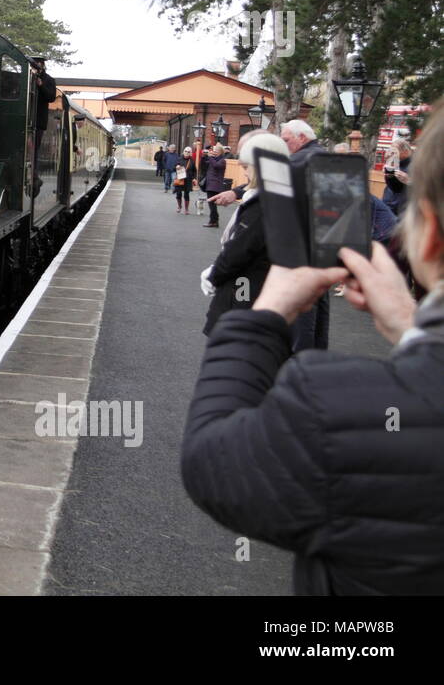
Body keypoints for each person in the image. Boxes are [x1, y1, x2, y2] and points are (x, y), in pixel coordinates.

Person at [181, 99, 444, 595]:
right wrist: (414, 331)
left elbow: (212, 464)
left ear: (427, 241)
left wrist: (265, 316)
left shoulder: (336, 406)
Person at [200, 131, 288, 334]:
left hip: (245, 282)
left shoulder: (263, 204)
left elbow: (240, 250)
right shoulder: (285, 196)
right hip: (259, 285)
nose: (244, 173)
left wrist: (214, 274)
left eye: (247, 167)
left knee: (235, 331)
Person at [199, 143, 228, 228]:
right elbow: (204, 165)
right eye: (213, 151)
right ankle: (214, 221)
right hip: (211, 184)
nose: (214, 152)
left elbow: (216, 166)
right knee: (212, 204)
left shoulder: (222, 160)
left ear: (220, 152)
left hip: (215, 185)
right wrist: (204, 156)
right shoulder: (214, 159)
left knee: (212, 204)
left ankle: (213, 221)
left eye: (215, 151)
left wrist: (210, 157)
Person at [382, 138, 413, 216]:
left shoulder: (415, 165)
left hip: (401, 210)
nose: (392, 153)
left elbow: (398, 188)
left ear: (405, 152)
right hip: (388, 205)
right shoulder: (395, 161)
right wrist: (388, 172)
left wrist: (409, 180)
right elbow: (392, 186)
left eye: (395, 151)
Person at [173, 146, 196, 214]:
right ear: (183, 152)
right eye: (185, 151)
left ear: (190, 153)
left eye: (188, 152)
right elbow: (173, 168)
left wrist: (194, 178)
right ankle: (179, 207)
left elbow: (195, 170)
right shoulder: (179, 159)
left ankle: (186, 209)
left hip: (188, 179)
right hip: (180, 179)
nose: (187, 153)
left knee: (186, 194)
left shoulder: (192, 160)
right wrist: (176, 167)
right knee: (178, 194)